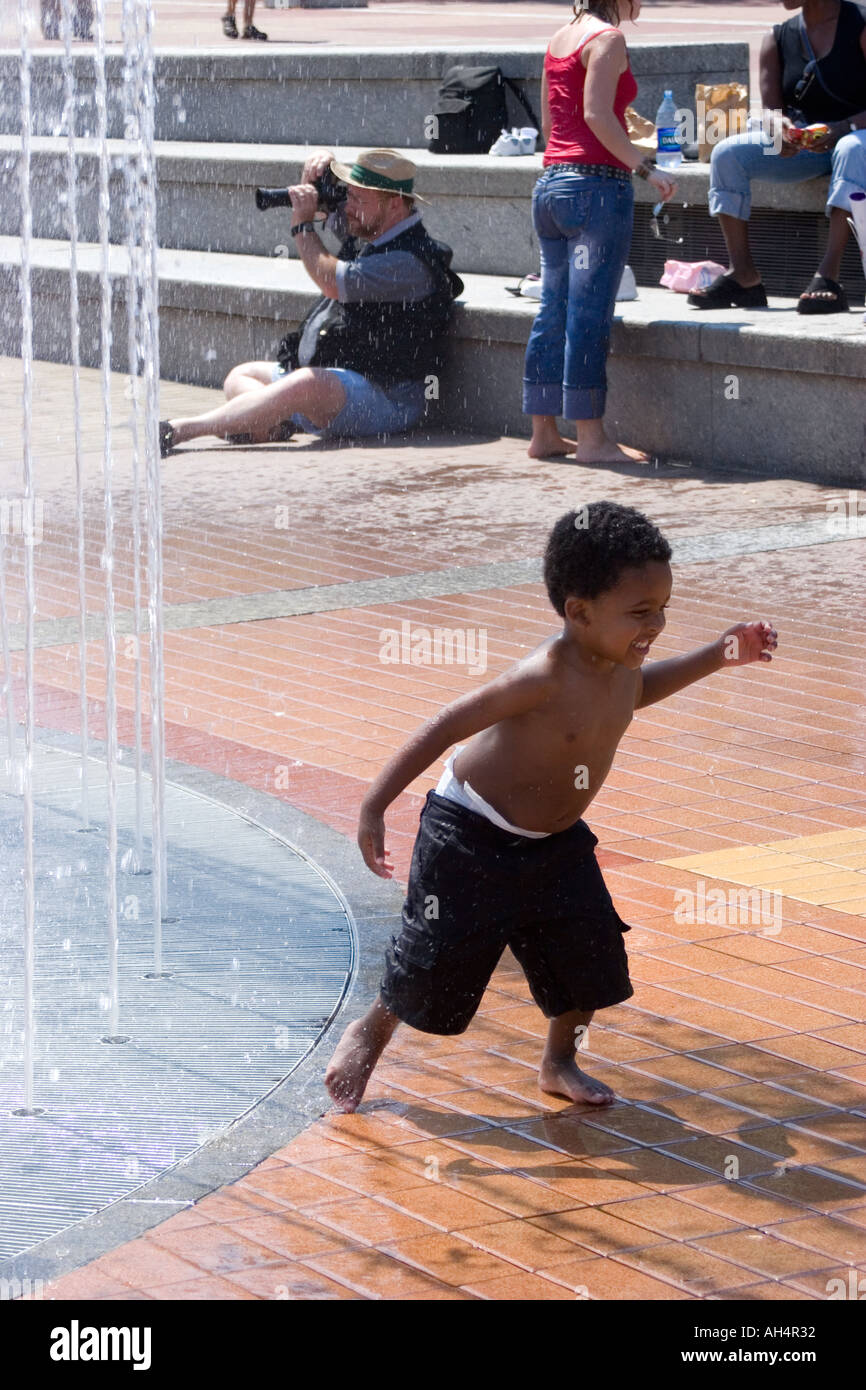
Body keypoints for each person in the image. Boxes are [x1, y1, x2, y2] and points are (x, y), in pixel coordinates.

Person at [325, 501, 779, 1114]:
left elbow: (641, 691)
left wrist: (722, 654)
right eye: (641, 612)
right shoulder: (542, 675)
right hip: (472, 835)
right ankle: (371, 1031)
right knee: (438, 959)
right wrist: (375, 805)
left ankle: (560, 1060)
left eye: (664, 609)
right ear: (579, 612)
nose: (657, 624)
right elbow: (444, 725)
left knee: (586, 956)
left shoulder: (621, 662)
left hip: (557, 844)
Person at [159, 150, 462, 456]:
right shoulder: (374, 227)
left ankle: (182, 430)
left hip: (388, 399)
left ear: (395, 203)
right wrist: (320, 171)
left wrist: (302, 227)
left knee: (306, 382)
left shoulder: (407, 261)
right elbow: (325, 213)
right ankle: (277, 422)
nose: (348, 206)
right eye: (348, 195)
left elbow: (330, 281)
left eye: (358, 199)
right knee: (241, 376)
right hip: (346, 383)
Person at [523, 0, 676, 466]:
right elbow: (595, 116)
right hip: (596, 190)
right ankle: (591, 439)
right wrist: (646, 169)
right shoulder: (607, 39)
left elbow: (552, 127)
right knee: (588, 314)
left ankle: (544, 434)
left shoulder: (558, 39)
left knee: (553, 309)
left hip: (551, 188)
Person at [689, 0, 866, 313]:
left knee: (851, 148)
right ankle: (743, 275)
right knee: (727, 154)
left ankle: (829, 276)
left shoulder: (859, 23)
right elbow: (771, 110)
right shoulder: (778, 37)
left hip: (856, 137)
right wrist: (778, 129)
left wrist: (840, 128)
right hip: (809, 144)